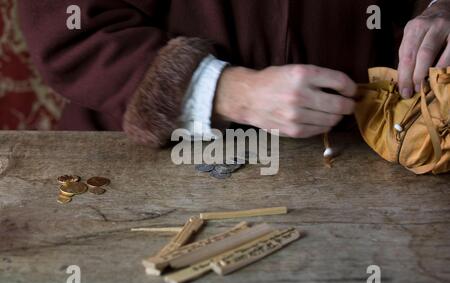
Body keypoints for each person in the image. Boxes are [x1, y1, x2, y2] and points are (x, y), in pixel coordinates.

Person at [19, 0, 450, 146]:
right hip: (151, 161)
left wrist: (440, 10)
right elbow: (69, 28)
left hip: (370, 151)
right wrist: (229, 91)